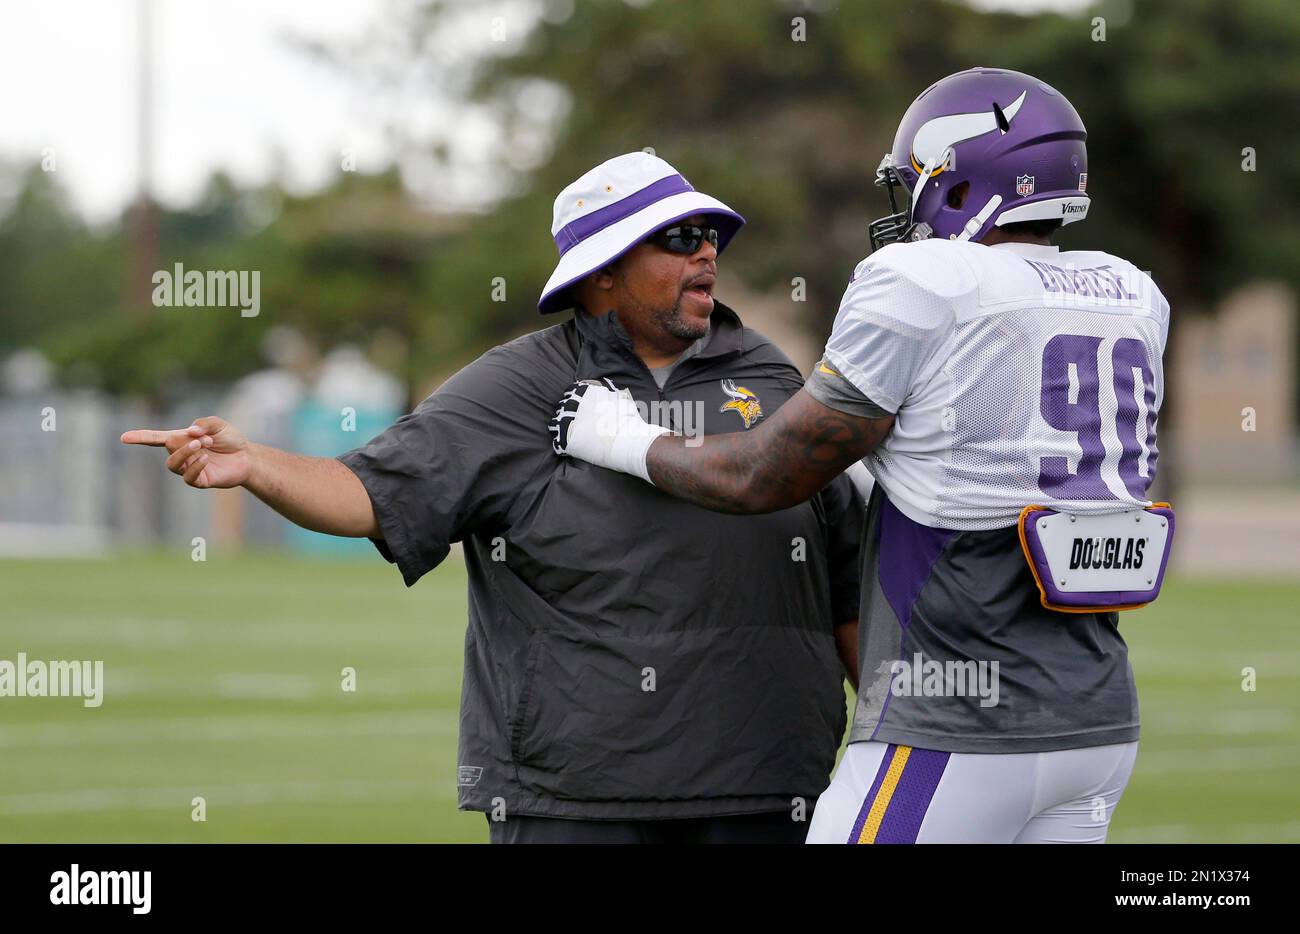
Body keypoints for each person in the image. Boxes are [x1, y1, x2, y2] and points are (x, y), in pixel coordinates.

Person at [121, 152, 863, 844]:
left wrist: (893, 733)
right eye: (678, 237)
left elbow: (846, 573)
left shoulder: (770, 376)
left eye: (709, 235)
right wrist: (255, 463)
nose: (707, 252)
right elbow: (373, 492)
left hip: (770, 791)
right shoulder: (516, 388)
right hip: (574, 801)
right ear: (601, 270)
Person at [551, 70, 1171, 843]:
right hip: (1097, 723)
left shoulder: (930, 281)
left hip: (957, 722)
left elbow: (763, 475)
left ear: (954, 176)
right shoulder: (1133, 295)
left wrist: (621, 435)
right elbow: (976, 451)